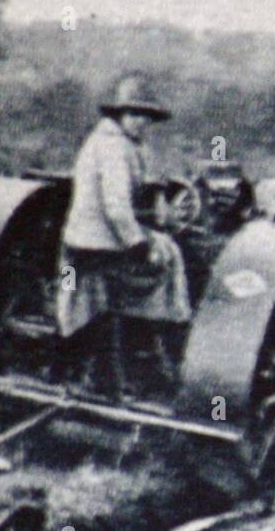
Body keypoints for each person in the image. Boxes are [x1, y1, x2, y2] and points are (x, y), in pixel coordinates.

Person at [57, 72, 191, 397]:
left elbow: (138, 186)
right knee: (169, 255)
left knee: (159, 249)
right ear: (120, 115)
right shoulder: (115, 148)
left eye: (146, 116)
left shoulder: (110, 142)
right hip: (101, 246)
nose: (141, 122)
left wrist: (154, 191)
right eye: (134, 114)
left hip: (80, 242)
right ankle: (162, 334)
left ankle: (141, 346)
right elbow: (117, 206)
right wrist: (139, 243)